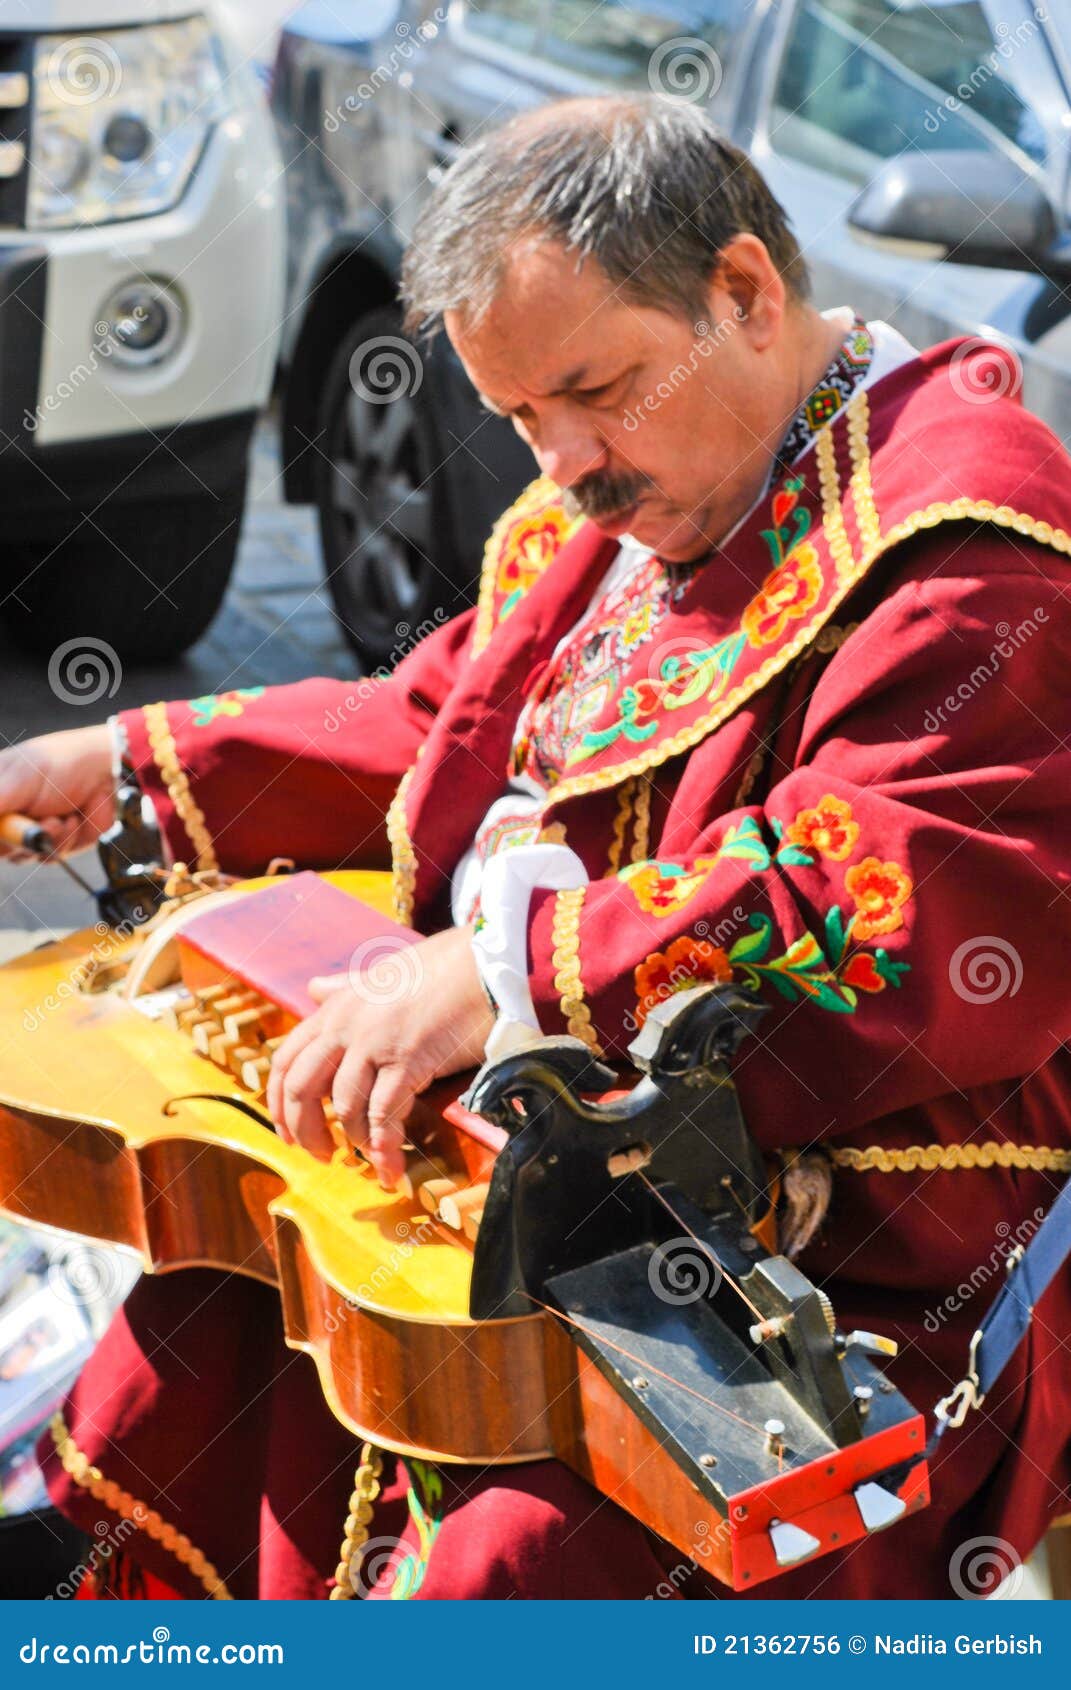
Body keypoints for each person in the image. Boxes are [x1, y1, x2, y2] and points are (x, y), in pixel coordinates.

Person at [2, 94, 1071, 1600]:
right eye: (521, 419)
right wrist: (124, 759)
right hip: (562, 1154)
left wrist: (514, 973)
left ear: (746, 295)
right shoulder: (629, 506)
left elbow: (885, 890)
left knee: (528, 1561)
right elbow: (443, 720)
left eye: (599, 389)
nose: (565, 464)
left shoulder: (966, 531)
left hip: (867, 1237)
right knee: (233, 1274)